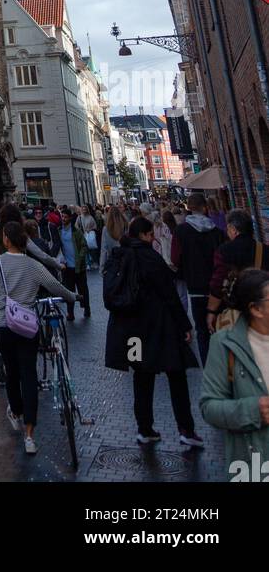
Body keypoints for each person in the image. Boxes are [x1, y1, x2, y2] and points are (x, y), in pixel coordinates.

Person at [104, 216, 203, 448]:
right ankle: (186, 429)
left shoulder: (120, 256)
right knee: (176, 374)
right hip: (161, 328)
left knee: (141, 376)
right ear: (144, 235)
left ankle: (144, 429)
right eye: (151, 235)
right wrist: (184, 325)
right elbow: (170, 295)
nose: (153, 238)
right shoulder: (151, 257)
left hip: (132, 333)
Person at [0, 221, 77, 455]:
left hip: (4, 324)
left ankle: (15, 411)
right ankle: (30, 434)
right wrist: (72, 297)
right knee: (29, 375)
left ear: (6, 239)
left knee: (12, 373)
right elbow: (55, 286)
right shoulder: (33, 265)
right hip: (27, 326)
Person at [200, 268, 269, 478]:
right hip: (253, 466)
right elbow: (209, 407)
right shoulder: (225, 345)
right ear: (256, 309)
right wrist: (254, 410)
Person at [171, 194, 224, 365]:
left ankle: (209, 369)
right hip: (217, 288)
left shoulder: (181, 231)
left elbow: (175, 258)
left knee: (202, 331)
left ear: (189, 208)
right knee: (220, 328)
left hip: (195, 288)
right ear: (205, 207)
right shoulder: (217, 232)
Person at [206, 209, 263, 333]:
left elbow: (218, 283)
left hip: (236, 311)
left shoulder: (224, 251)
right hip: (262, 309)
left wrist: (211, 311)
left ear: (233, 229)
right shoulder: (263, 249)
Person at [59, 208, 90, 320]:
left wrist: (80, 257)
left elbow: (84, 246)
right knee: (68, 291)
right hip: (66, 267)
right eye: (62, 216)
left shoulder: (76, 231)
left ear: (70, 218)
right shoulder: (59, 231)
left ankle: (86, 308)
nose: (63, 219)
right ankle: (70, 313)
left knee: (83, 289)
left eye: (65, 217)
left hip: (78, 266)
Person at [99, 205, 127, 273]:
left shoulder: (106, 229)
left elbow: (104, 250)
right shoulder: (126, 226)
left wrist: (102, 267)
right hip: (126, 260)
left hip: (113, 261)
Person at [76, 204, 100, 270]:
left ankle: (94, 262)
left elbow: (95, 226)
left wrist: (90, 229)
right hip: (83, 235)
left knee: (92, 249)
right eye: (83, 209)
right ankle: (88, 264)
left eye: (85, 209)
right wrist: (80, 231)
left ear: (87, 210)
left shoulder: (90, 217)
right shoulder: (79, 217)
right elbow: (76, 226)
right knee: (85, 250)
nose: (84, 210)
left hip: (90, 235)